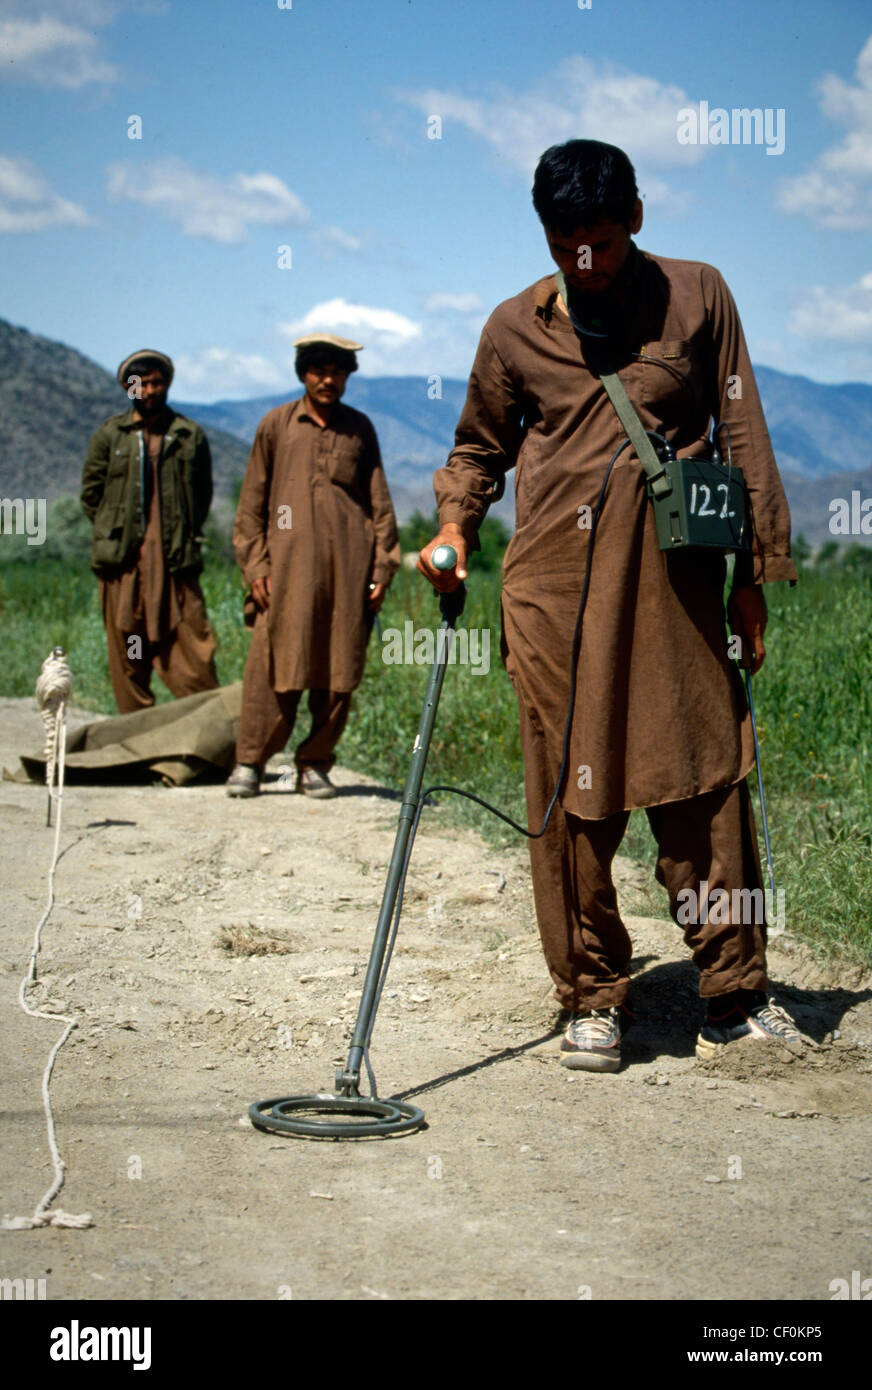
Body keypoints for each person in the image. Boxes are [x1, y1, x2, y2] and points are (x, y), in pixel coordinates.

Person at [418, 139, 803, 1072]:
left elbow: (742, 428)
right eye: (563, 242)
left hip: (676, 587)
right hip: (553, 593)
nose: (583, 260)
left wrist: (755, 572)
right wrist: (456, 530)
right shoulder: (514, 328)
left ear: (634, 218)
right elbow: (477, 450)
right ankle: (592, 995)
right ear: (544, 234)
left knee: (705, 774)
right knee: (571, 796)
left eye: (598, 238)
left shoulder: (698, 295)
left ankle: (734, 991)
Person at [227, 334, 400, 799]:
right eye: (319, 370)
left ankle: (315, 762)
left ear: (348, 376)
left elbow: (379, 503)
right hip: (283, 574)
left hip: (349, 572)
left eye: (337, 371)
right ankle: (249, 761)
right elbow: (250, 507)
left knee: (340, 666)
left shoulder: (359, 429)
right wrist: (256, 567)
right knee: (271, 664)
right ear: (303, 373)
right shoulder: (277, 425)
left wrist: (382, 569)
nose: (328, 379)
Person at [81, 349, 218, 714]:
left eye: (158, 382)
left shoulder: (188, 435)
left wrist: (177, 533)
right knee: (131, 646)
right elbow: (91, 496)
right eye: (142, 384)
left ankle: (206, 735)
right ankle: (137, 734)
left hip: (174, 564)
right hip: (125, 568)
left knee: (191, 649)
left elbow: (202, 495)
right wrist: (115, 533)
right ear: (130, 388)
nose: (151, 390)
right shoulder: (111, 436)